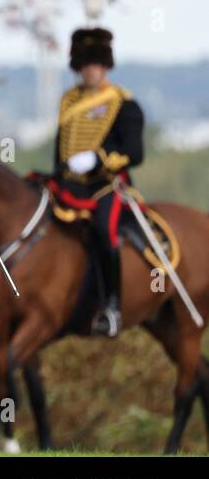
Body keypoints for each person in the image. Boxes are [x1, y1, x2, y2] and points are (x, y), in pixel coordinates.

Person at [52, 27, 143, 337]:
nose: (90, 70)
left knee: (105, 231)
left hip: (105, 184)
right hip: (68, 183)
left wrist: (98, 158)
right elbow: (59, 146)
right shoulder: (68, 100)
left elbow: (134, 151)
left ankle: (112, 306)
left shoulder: (123, 103)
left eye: (96, 64)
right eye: (85, 64)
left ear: (105, 66)